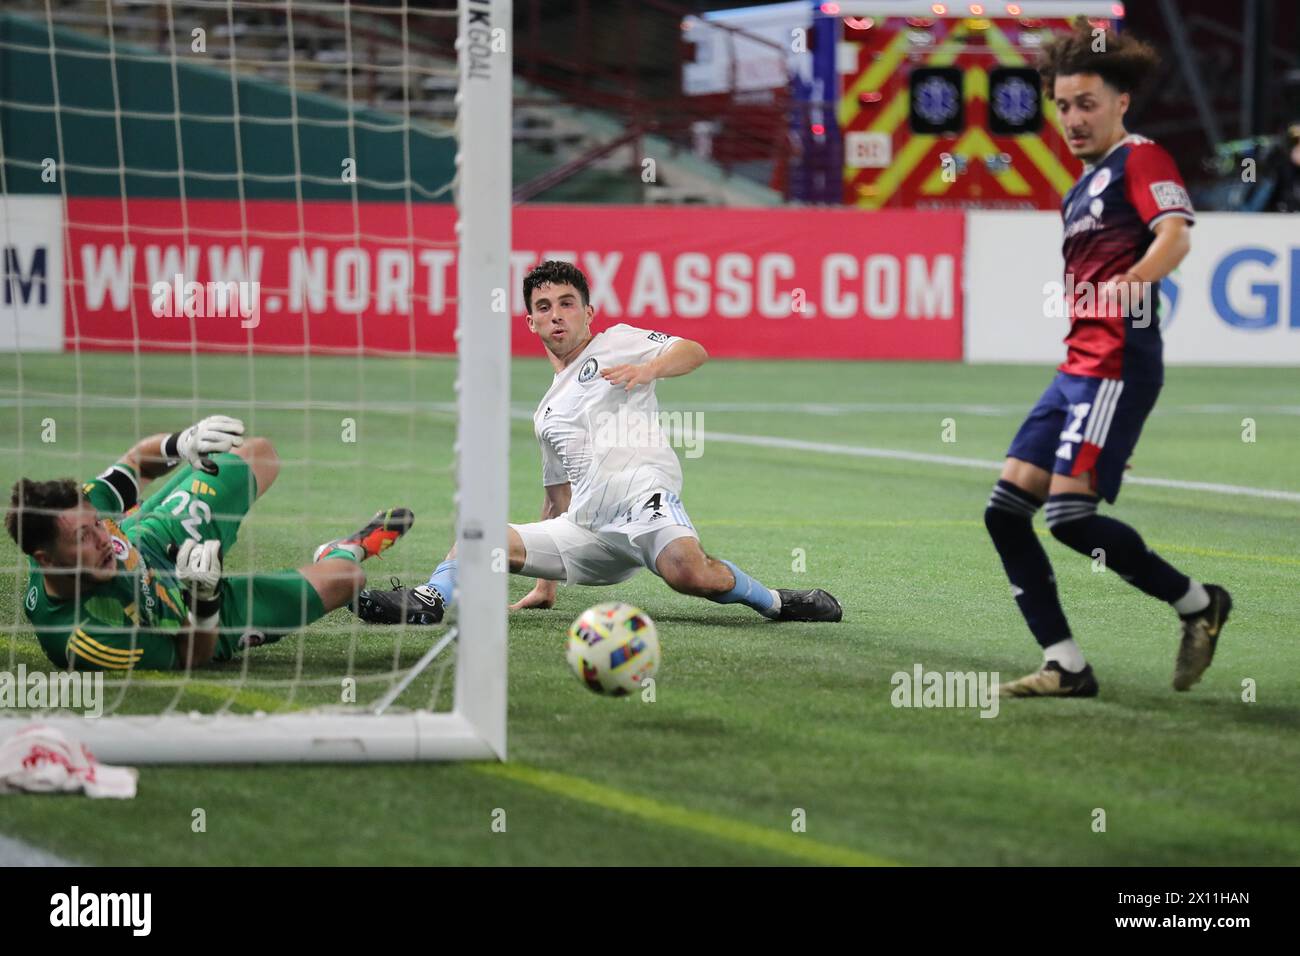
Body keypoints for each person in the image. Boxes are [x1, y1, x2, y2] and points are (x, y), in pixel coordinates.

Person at [355, 260, 842, 627]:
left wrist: (649, 368)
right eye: (544, 308)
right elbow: (557, 500)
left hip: (643, 501)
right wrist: (548, 585)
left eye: (567, 303)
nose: (557, 315)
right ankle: (429, 600)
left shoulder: (619, 342)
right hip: (588, 530)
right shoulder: (545, 411)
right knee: (481, 535)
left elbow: (693, 351)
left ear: (587, 312)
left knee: (688, 574)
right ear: (531, 323)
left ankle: (777, 602)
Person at [985, 23, 1230, 698]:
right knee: (1005, 512)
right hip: (1075, 369)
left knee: (1068, 519)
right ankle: (1065, 664)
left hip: (1116, 364)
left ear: (1122, 102)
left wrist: (1138, 279)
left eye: (1086, 103)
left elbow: (1175, 235)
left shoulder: (1142, 159)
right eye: (1062, 105)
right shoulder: (1082, 186)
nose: (1071, 118)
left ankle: (1197, 604)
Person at [6, 416, 413, 671]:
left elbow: (136, 461)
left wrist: (182, 443)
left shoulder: (87, 516)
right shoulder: (83, 637)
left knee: (259, 453)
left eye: (97, 523)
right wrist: (205, 600)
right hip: (197, 620)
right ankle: (339, 550)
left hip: (155, 539)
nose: (101, 539)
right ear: (45, 559)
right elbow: (187, 656)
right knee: (350, 577)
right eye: (82, 537)